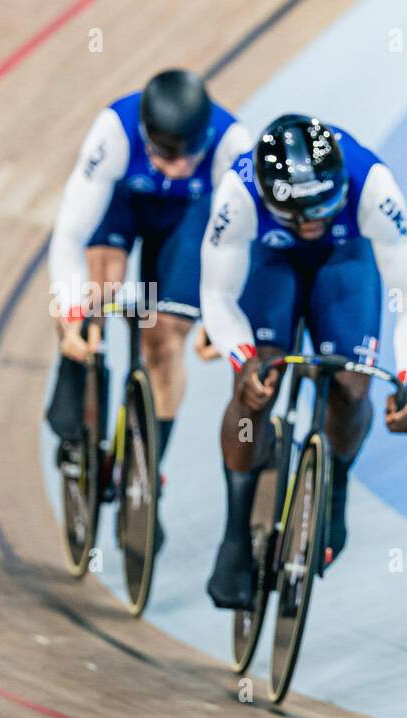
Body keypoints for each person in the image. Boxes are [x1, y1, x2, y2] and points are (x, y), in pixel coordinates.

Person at [199, 113, 407, 609]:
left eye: (322, 209)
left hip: (344, 260)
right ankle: (236, 532)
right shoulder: (237, 193)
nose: (310, 224)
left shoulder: (372, 184)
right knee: (256, 385)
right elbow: (216, 296)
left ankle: (335, 483)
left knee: (352, 385)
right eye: (298, 215)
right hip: (271, 260)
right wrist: (242, 361)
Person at [46, 68, 251, 487]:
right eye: (164, 157)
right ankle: (76, 370)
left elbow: (238, 242)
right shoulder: (115, 131)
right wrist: (70, 313)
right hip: (124, 202)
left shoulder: (233, 146)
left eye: (186, 159)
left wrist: (219, 314)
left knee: (164, 336)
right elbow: (69, 234)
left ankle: (142, 468)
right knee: (97, 294)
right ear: (146, 136)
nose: (175, 169)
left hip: (187, 217)